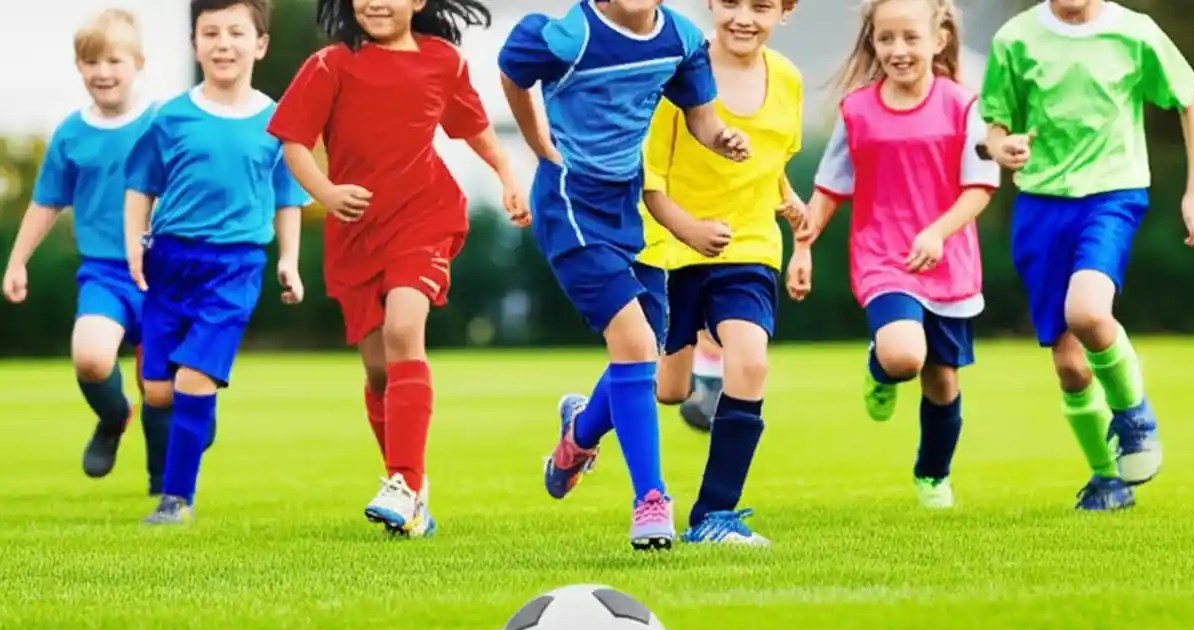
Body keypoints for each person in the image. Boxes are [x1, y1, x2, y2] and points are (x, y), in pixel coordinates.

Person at [270, 0, 528, 538]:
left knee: (404, 329)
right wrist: (326, 192)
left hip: (424, 219)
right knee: (379, 370)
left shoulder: (443, 61)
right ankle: (410, 493)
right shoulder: (330, 65)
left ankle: (405, 483)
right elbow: (293, 143)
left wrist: (506, 171)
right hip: (357, 235)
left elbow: (473, 127)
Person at [498, 0, 749, 550]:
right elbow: (512, 70)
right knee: (634, 345)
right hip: (570, 205)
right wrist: (539, 145)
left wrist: (722, 137)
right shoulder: (567, 37)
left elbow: (703, 118)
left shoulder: (681, 39)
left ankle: (578, 436)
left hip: (625, 210)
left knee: (644, 359)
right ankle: (650, 500)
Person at [980, 0, 1194, 510]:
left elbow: (1191, 102)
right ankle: (1106, 479)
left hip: (1113, 195)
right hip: (1040, 206)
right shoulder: (1015, 40)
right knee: (1070, 365)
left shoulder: (1136, 33)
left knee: (1087, 311)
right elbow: (993, 127)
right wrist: (1001, 148)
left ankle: (1133, 415)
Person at [790, 0, 999, 509]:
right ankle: (882, 367)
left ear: (939, 40)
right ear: (873, 42)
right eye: (886, 39)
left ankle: (933, 474)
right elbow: (830, 188)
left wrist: (937, 232)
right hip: (884, 258)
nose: (898, 50)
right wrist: (802, 246)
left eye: (910, 37)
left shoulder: (964, 106)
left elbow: (980, 186)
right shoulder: (856, 111)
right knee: (905, 354)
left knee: (942, 380)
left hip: (948, 261)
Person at [128, 0, 311, 524]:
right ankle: (195, 419)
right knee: (159, 390)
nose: (223, 43)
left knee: (193, 380)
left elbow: (287, 198)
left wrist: (290, 261)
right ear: (194, 44)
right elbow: (140, 187)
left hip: (235, 266)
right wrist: (132, 246)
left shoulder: (278, 120)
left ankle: (176, 498)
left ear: (260, 45)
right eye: (210, 32)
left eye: (236, 32)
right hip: (168, 261)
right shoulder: (170, 117)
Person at [641, 0, 806, 544]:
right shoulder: (679, 72)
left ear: (785, 12)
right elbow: (651, 180)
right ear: (711, 4)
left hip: (750, 247)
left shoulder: (787, 79)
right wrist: (688, 230)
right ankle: (584, 422)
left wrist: (789, 199)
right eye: (731, 2)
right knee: (669, 389)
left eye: (760, 6)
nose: (743, 17)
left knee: (751, 362)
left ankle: (713, 515)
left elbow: (773, 158)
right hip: (673, 248)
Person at [2, 10, 168, 494]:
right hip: (105, 274)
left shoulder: (163, 123)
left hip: (164, 272)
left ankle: (164, 487)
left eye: (114, 60)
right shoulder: (71, 133)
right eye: (91, 61)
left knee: (162, 389)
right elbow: (46, 201)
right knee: (92, 359)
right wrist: (17, 261)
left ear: (138, 63)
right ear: (79, 68)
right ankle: (113, 417)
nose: (103, 71)